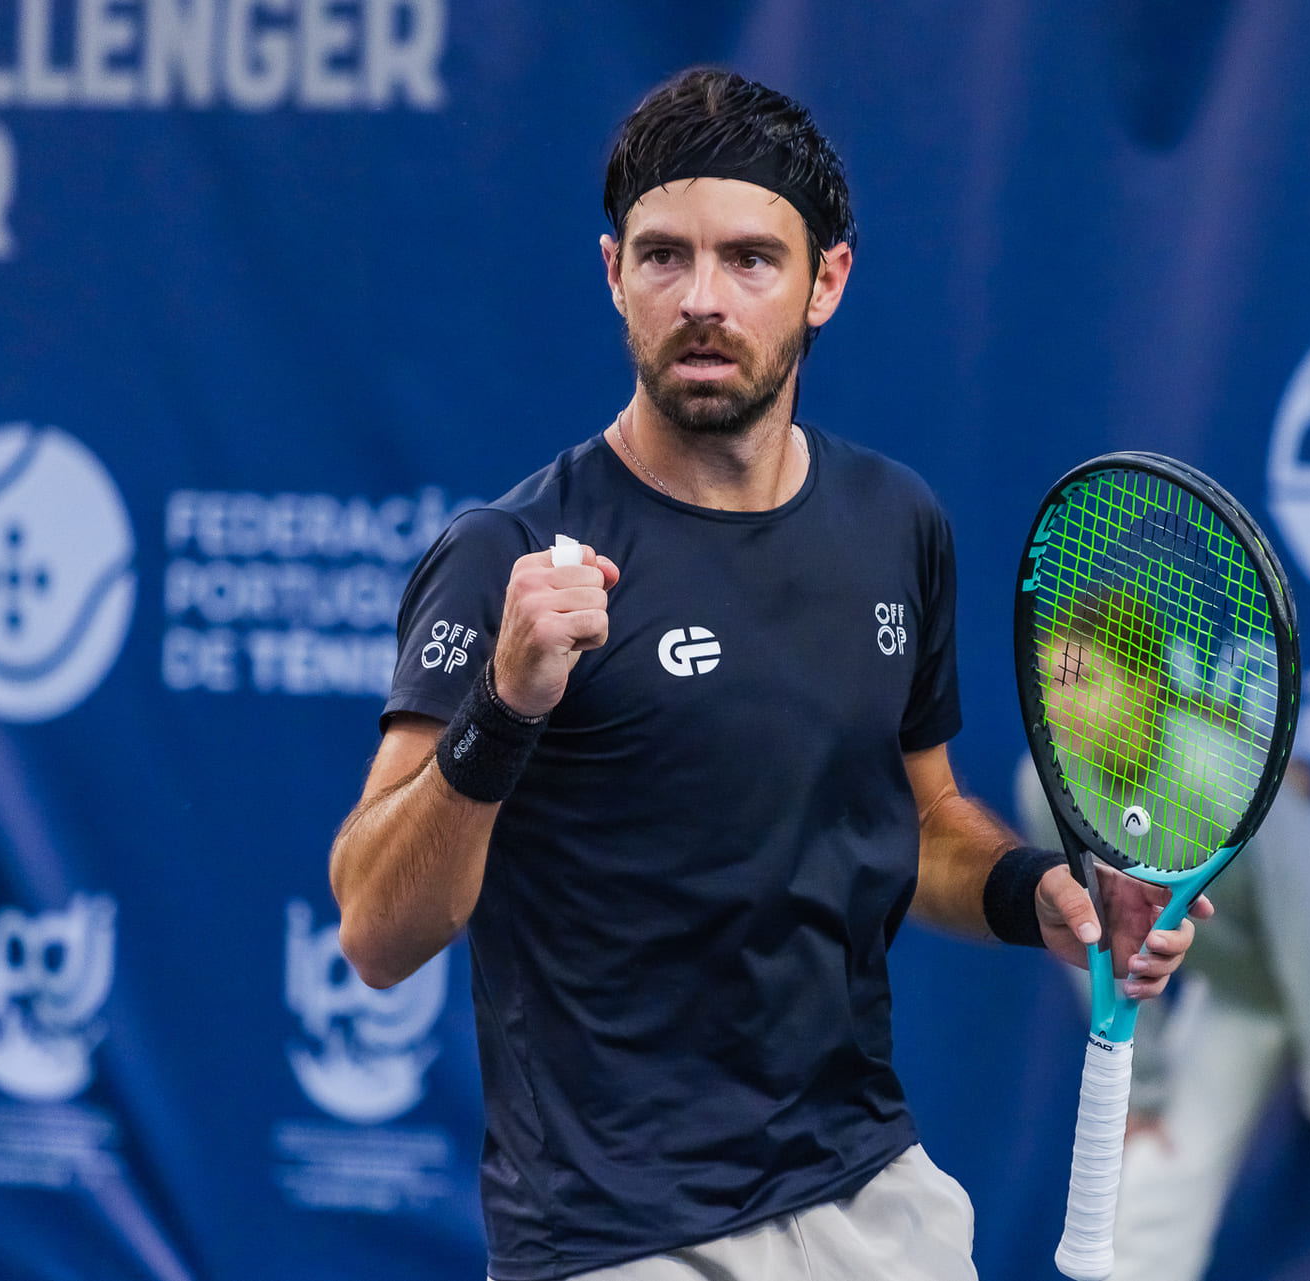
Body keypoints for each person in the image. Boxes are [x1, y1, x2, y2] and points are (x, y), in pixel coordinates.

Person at [328, 68, 1207, 1281]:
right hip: (617, 1236)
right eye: (662, 257)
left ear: (825, 282)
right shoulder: (509, 557)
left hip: (870, 1196)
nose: (702, 300)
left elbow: (919, 819)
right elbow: (374, 929)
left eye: (749, 259)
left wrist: (1038, 894)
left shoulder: (897, 522)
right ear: (612, 275)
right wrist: (503, 709)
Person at [1018, 754, 1310, 1281]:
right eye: (1057, 679)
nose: (1065, 703)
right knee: (1156, 1175)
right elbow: (1093, 937)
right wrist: (1144, 1086)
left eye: (1089, 679)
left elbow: (1302, 930)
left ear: (1147, 682)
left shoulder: (1222, 771)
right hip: (1246, 988)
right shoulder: (1047, 781)